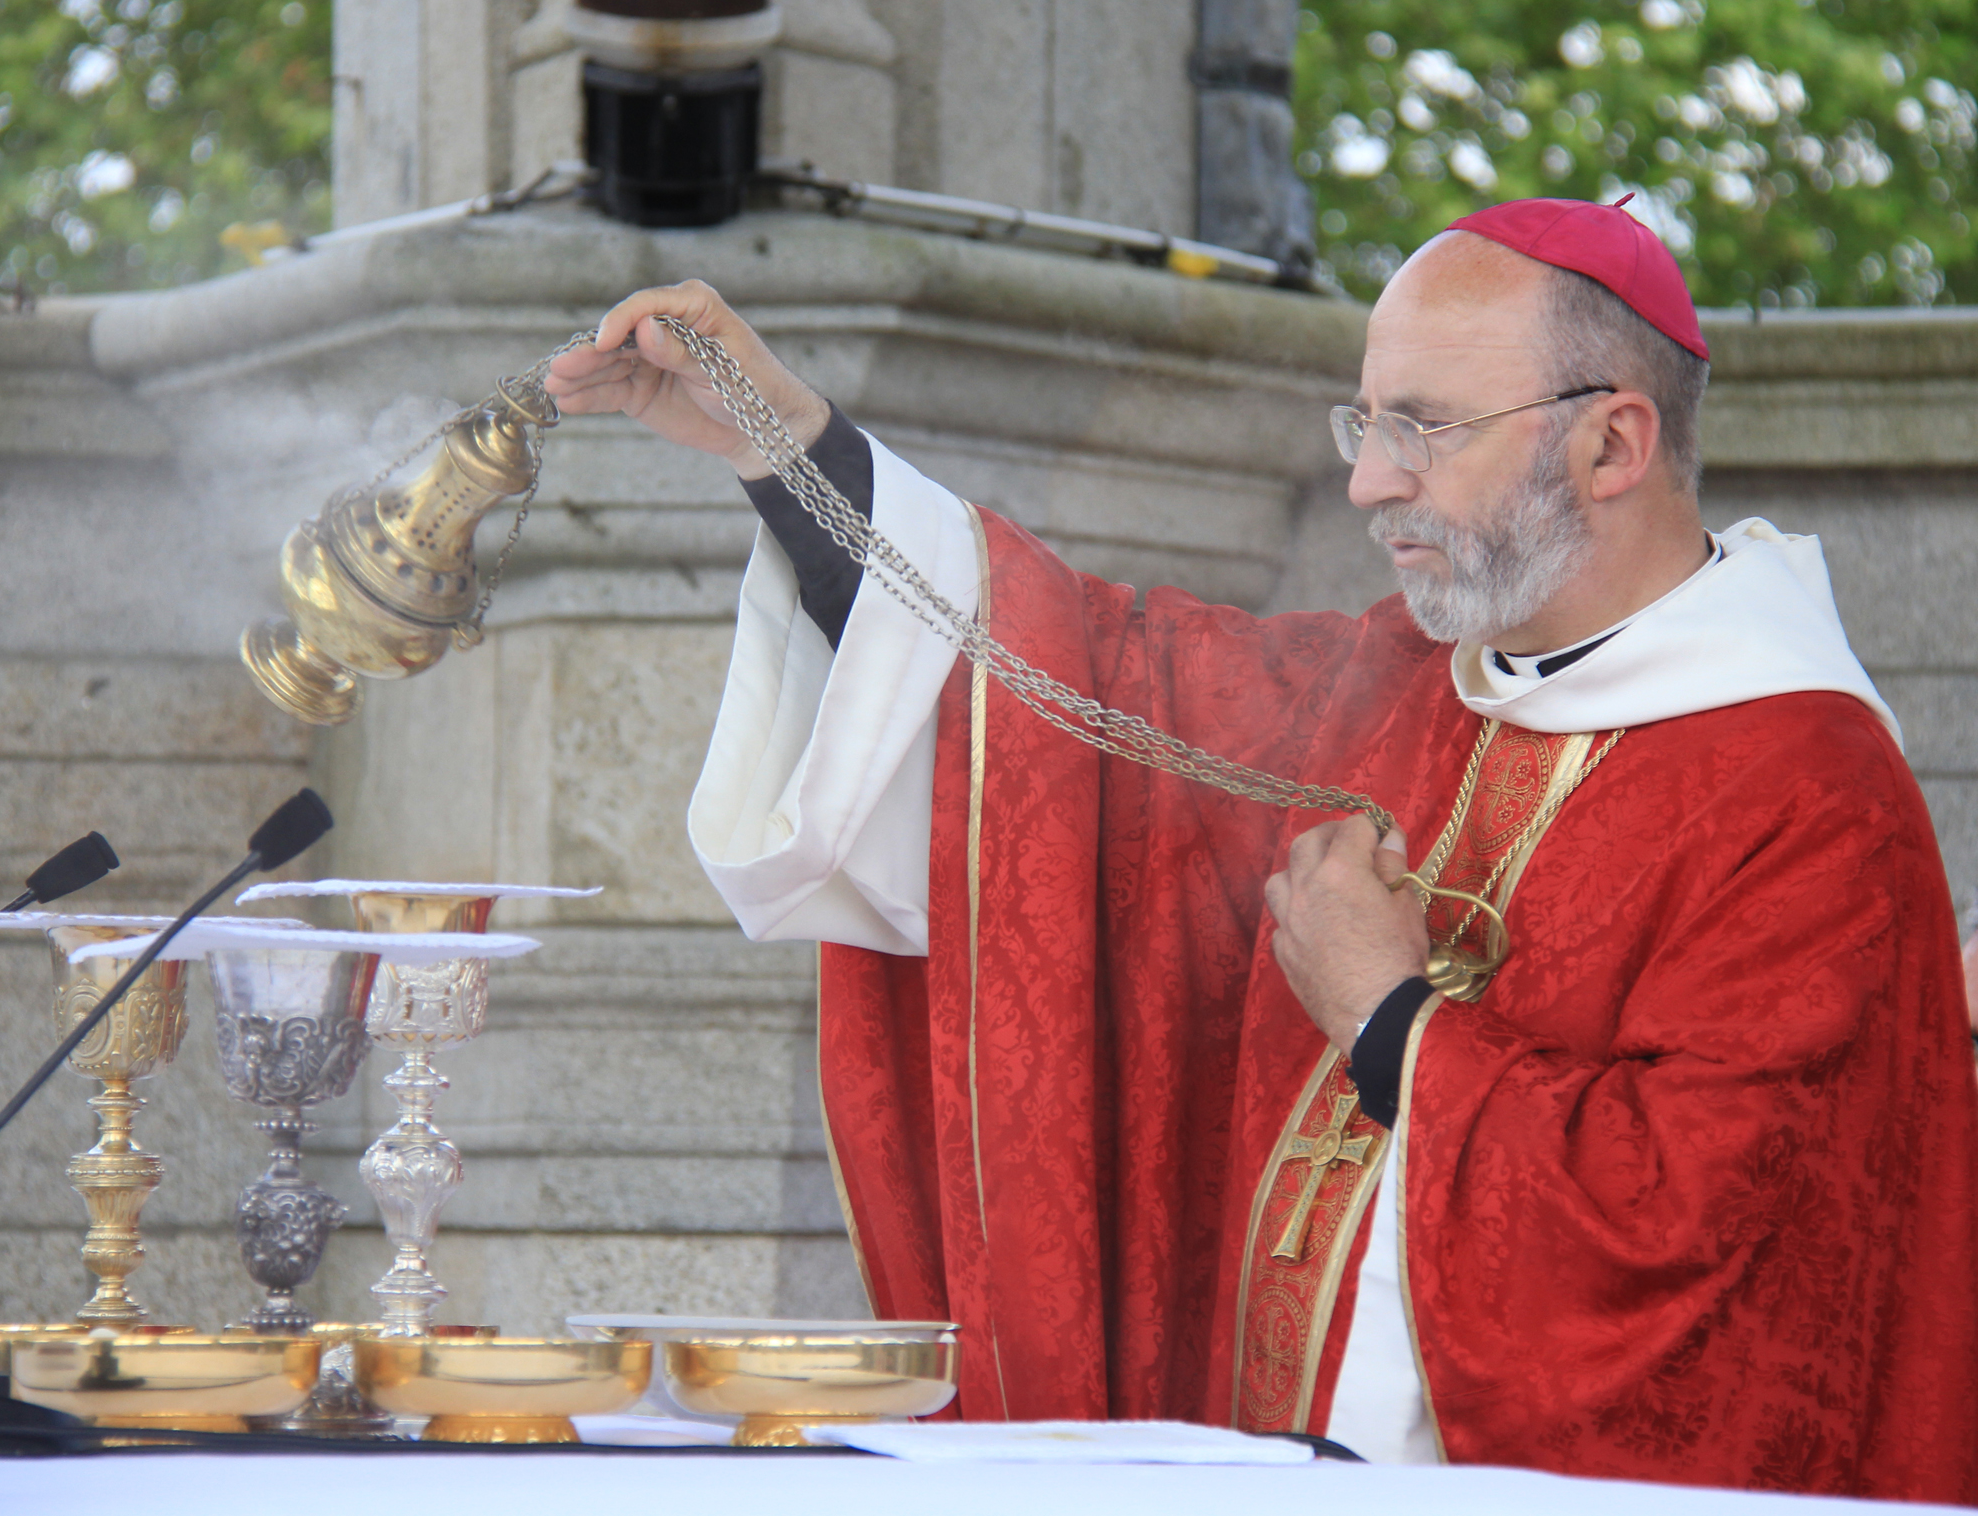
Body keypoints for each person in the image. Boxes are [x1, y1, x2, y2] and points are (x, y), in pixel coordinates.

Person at [547, 197, 1978, 1501]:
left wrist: (1394, 1020)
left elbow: (1729, 1263)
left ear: (1613, 442)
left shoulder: (1802, 790)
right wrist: (784, 447)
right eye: (1365, 426)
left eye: (1424, 426)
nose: (1369, 486)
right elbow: (1072, 695)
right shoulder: (1404, 689)